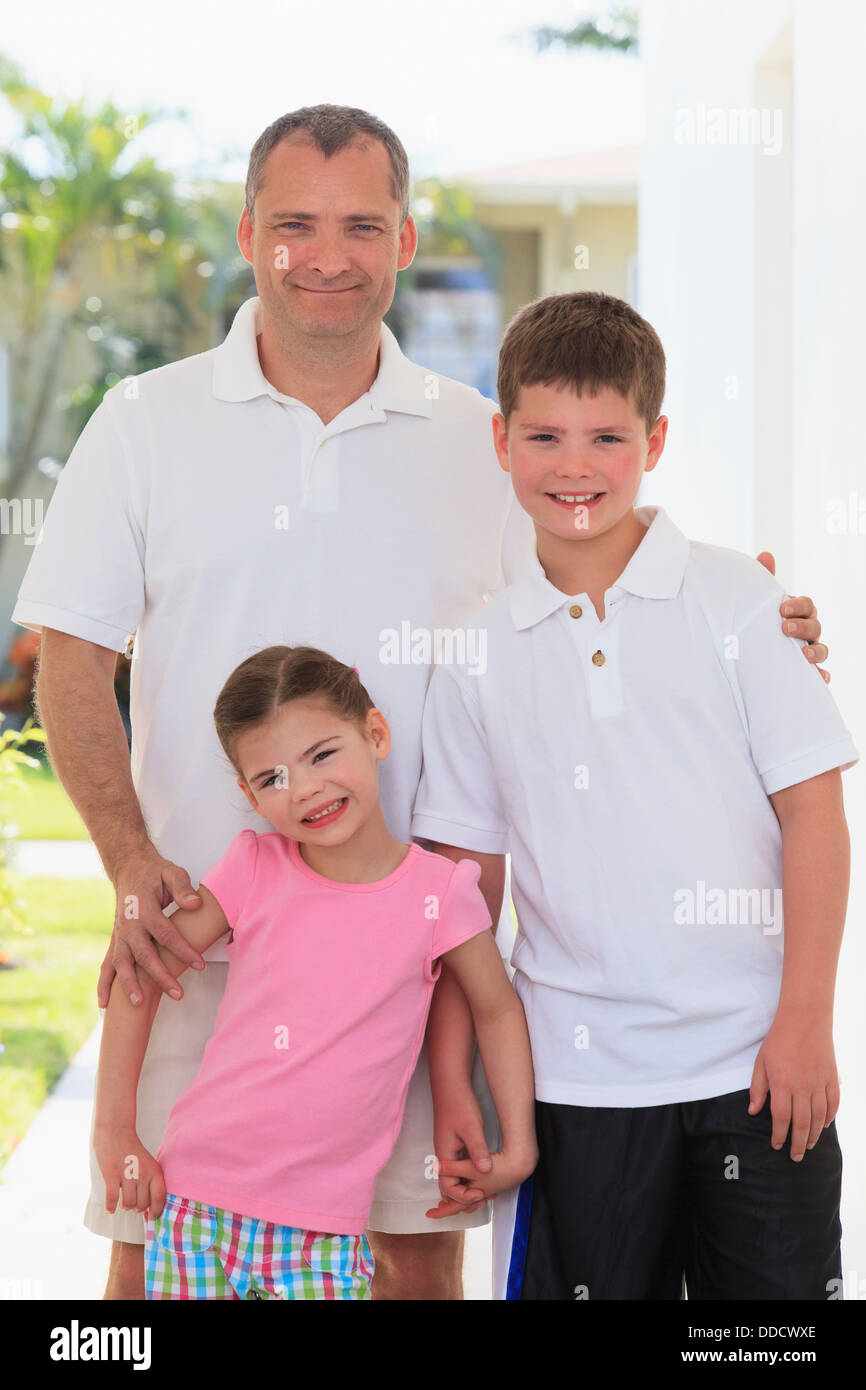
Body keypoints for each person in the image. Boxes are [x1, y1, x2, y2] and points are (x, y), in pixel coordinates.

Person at [12, 105, 831, 1303]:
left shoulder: (476, 439)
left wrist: (753, 612)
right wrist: (134, 860)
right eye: (293, 223)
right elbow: (70, 657)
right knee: (154, 1262)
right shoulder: (146, 421)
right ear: (249, 232)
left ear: (405, 238)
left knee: (408, 1259)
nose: (325, 253)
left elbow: (592, 553)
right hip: (203, 938)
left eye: (360, 223)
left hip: (404, 966)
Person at [411, 291, 858, 1299]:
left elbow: (813, 818)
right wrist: (455, 1079)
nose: (575, 466)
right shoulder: (475, 655)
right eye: (544, 435)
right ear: (500, 440)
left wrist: (803, 1019)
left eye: (606, 436)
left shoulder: (741, 600)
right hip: (574, 1082)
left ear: (654, 440)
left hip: (756, 1067)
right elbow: (460, 901)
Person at [93, 644, 537, 1299]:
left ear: (375, 735)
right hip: (196, 1207)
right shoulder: (252, 869)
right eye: (271, 778)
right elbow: (140, 979)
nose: (303, 788)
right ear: (248, 795)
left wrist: (519, 1144)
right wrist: (114, 1128)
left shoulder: (441, 893)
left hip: (324, 1234)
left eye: (322, 755)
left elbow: (497, 1008)